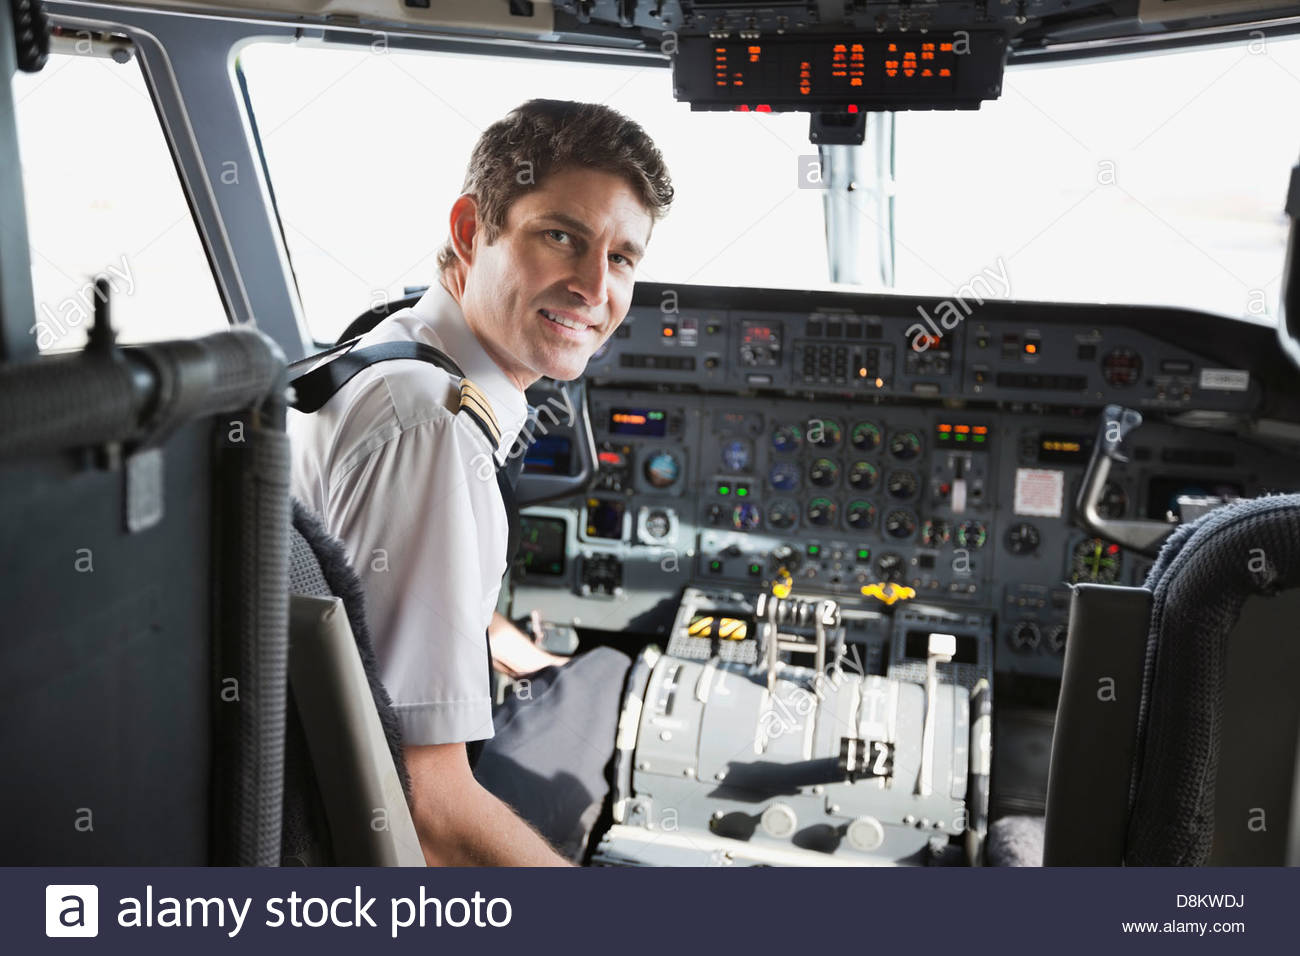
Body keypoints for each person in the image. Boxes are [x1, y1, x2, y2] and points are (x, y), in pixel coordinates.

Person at [288, 99, 674, 865]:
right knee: (612, 676)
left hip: (308, 776)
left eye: (622, 257)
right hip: (365, 841)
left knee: (578, 672)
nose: (595, 287)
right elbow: (429, 810)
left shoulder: (391, 346)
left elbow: (366, 589)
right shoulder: (431, 431)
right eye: (561, 237)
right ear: (471, 231)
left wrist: (500, 644)